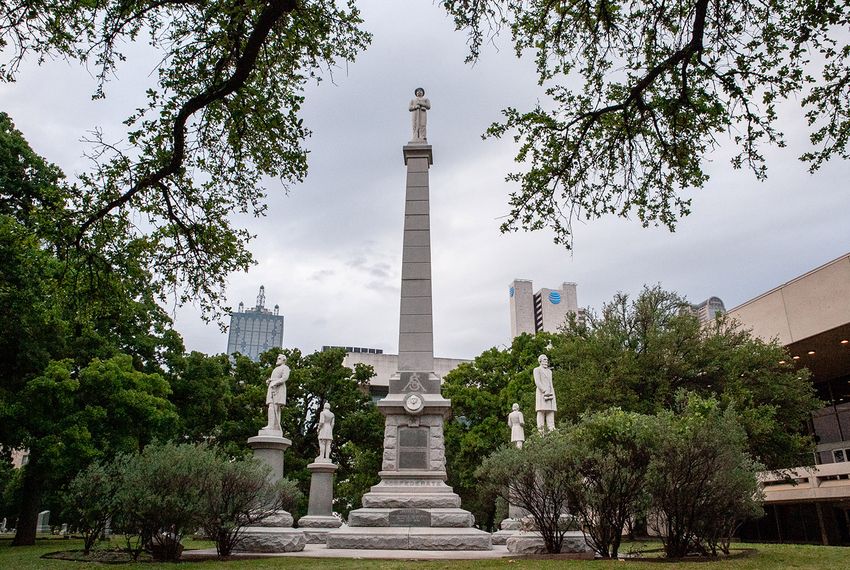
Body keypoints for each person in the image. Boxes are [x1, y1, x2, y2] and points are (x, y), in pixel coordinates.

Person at [264, 354, 289, 432]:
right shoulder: (275, 369)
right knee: (272, 407)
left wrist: (275, 382)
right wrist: (270, 381)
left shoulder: (285, 368)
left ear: (283, 360)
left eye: (279, 358)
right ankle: (274, 426)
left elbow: (285, 378)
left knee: (274, 407)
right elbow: (273, 378)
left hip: (278, 389)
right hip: (272, 387)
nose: (277, 360)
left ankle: (272, 426)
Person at [533, 354, 557, 433]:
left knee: (550, 412)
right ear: (540, 361)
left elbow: (551, 383)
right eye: (544, 359)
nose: (546, 361)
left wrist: (551, 392)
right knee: (541, 412)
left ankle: (552, 431)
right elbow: (537, 381)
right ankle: (541, 432)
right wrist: (544, 390)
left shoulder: (549, 371)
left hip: (550, 394)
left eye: (546, 359)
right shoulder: (537, 370)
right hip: (541, 394)